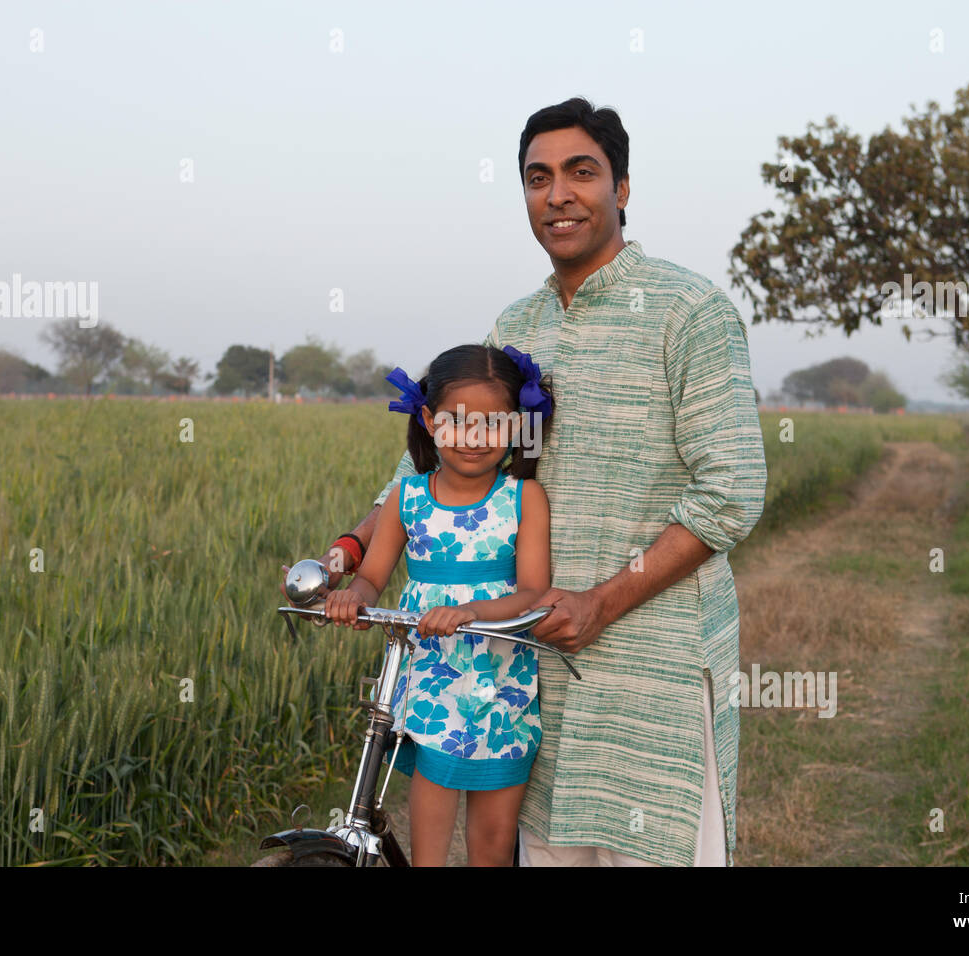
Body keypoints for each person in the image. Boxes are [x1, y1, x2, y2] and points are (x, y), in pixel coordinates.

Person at [288, 97, 767, 867]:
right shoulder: (517, 326)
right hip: (521, 665)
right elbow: (425, 464)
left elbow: (731, 490)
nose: (558, 195)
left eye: (582, 172)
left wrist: (600, 602)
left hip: (655, 664)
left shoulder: (690, 310)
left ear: (623, 187)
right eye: (537, 177)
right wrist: (349, 552)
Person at [318, 343, 556, 867]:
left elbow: (534, 594)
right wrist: (349, 599)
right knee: (429, 844)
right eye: (458, 422)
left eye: (492, 424)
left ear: (517, 427)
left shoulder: (522, 498)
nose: (474, 439)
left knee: (491, 847)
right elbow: (373, 578)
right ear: (428, 420)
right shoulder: (407, 497)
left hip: (501, 689)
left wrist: (472, 611)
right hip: (429, 682)